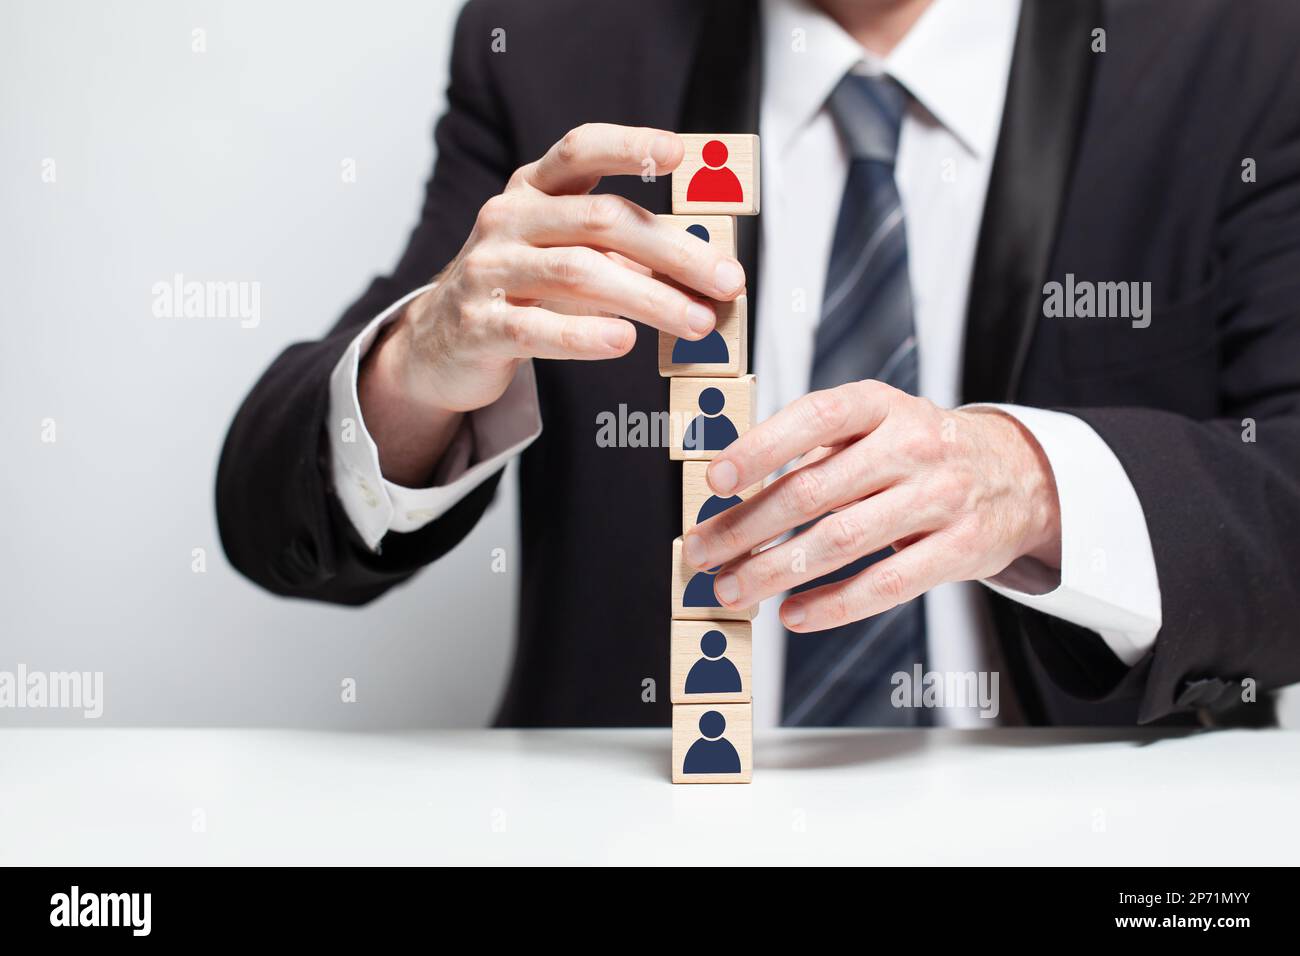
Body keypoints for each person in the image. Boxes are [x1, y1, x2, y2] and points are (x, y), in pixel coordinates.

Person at [217, 0, 1300, 729]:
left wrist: (1036, 481)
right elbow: (272, 521)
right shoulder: (557, 45)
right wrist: (420, 363)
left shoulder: (1241, 47)